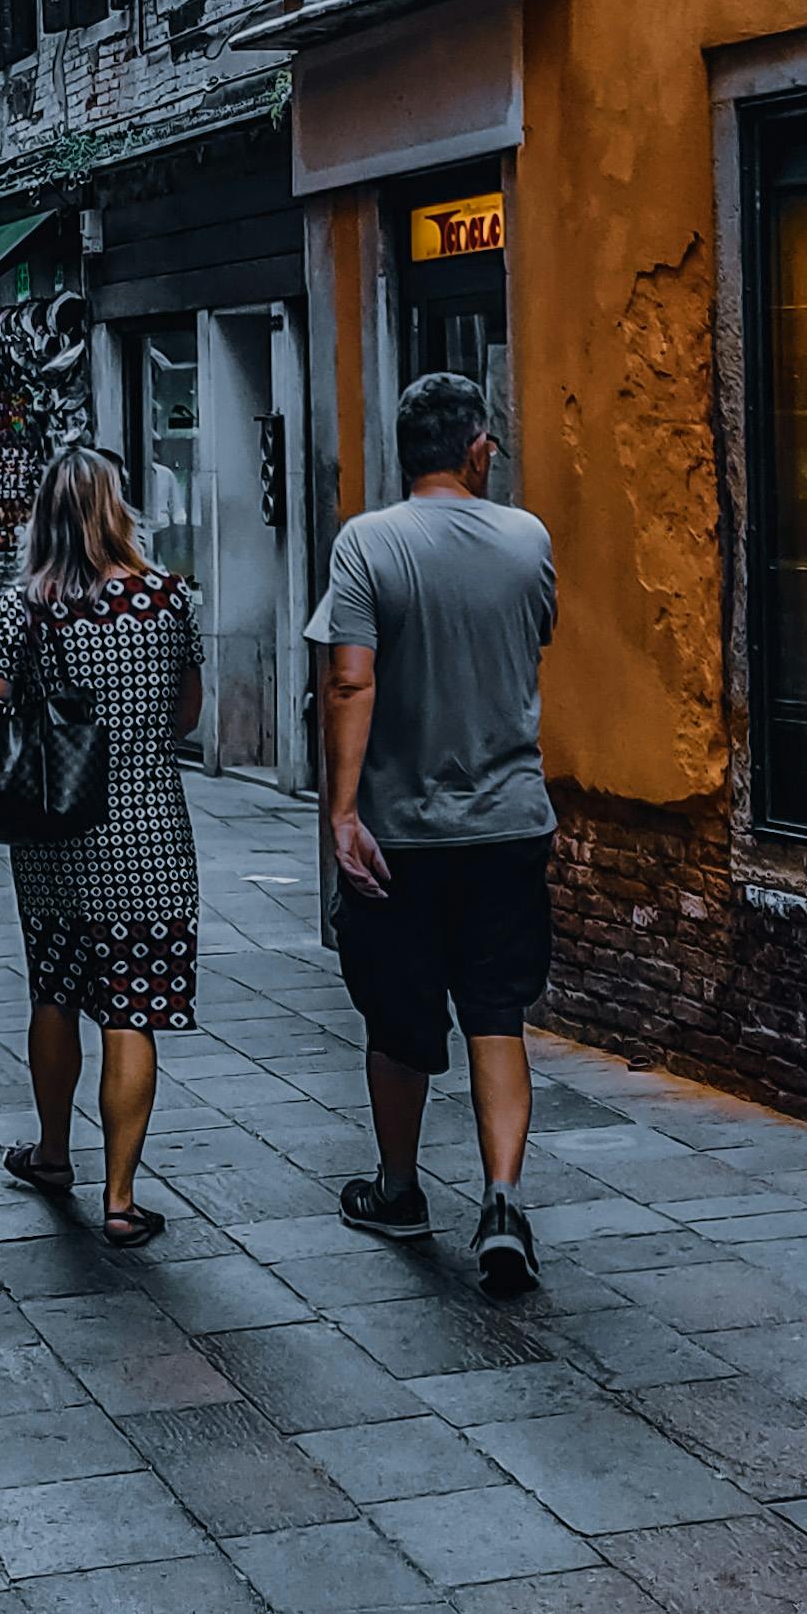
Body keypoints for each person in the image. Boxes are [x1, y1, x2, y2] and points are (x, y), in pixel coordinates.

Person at [312, 368, 558, 1296]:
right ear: (477, 447)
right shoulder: (528, 538)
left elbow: (348, 680)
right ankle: (501, 1200)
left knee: (397, 1014)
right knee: (498, 1010)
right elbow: (534, 642)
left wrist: (340, 813)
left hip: (398, 832)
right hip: (506, 823)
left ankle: (401, 1186)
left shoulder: (365, 543)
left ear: (401, 451)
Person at [0, 448, 201, 1247]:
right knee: (133, 1007)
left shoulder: (24, 605)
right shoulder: (168, 598)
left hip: (56, 830)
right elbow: (187, 714)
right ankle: (122, 1197)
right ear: (118, 507)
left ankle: (55, 1152)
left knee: (56, 990)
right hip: (149, 834)